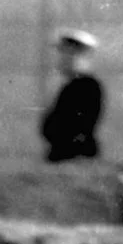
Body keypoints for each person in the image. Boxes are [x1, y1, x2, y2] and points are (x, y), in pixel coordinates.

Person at [41, 29, 104, 163]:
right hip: (65, 155)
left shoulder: (86, 87)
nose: (62, 59)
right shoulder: (71, 85)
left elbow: (75, 125)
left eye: (68, 54)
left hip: (74, 156)